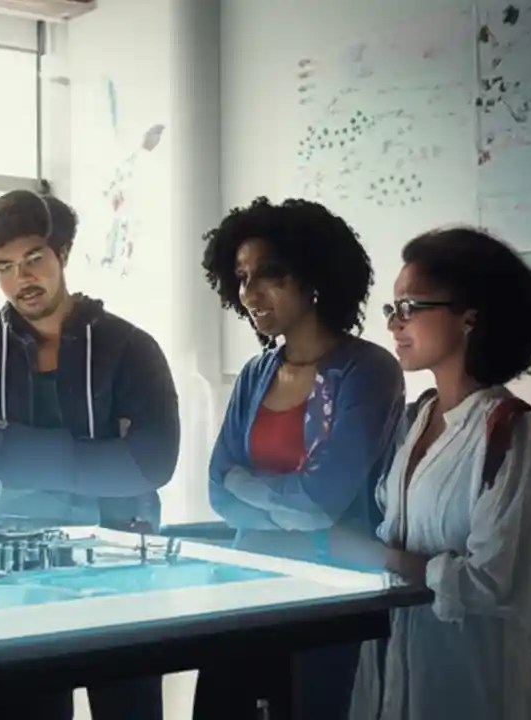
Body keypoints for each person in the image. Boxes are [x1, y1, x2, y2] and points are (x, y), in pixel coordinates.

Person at [0, 189, 178, 720]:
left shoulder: (130, 347)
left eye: (34, 259)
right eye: (4, 266)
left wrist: (19, 447)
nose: (22, 278)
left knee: (128, 711)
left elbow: (153, 463)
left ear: (63, 254)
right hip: (16, 562)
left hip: (121, 557)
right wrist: (104, 455)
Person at [197, 197, 405, 720]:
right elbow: (219, 489)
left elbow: (320, 503)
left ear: (314, 275)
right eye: (241, 277)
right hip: (247, 580)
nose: (250, 293)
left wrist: (251, 486)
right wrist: (281, 505)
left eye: (270, 273)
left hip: (332, 589)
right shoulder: (256, 373)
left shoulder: (368, 371)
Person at [350, 228, 531, 720]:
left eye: (410, 307)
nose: (394, 323)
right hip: (394, 672)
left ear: (469, 317)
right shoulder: (417, 418)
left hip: (475, 684)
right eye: (392, 308)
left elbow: (493, 583)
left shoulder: (513, 434)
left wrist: (382, 558)